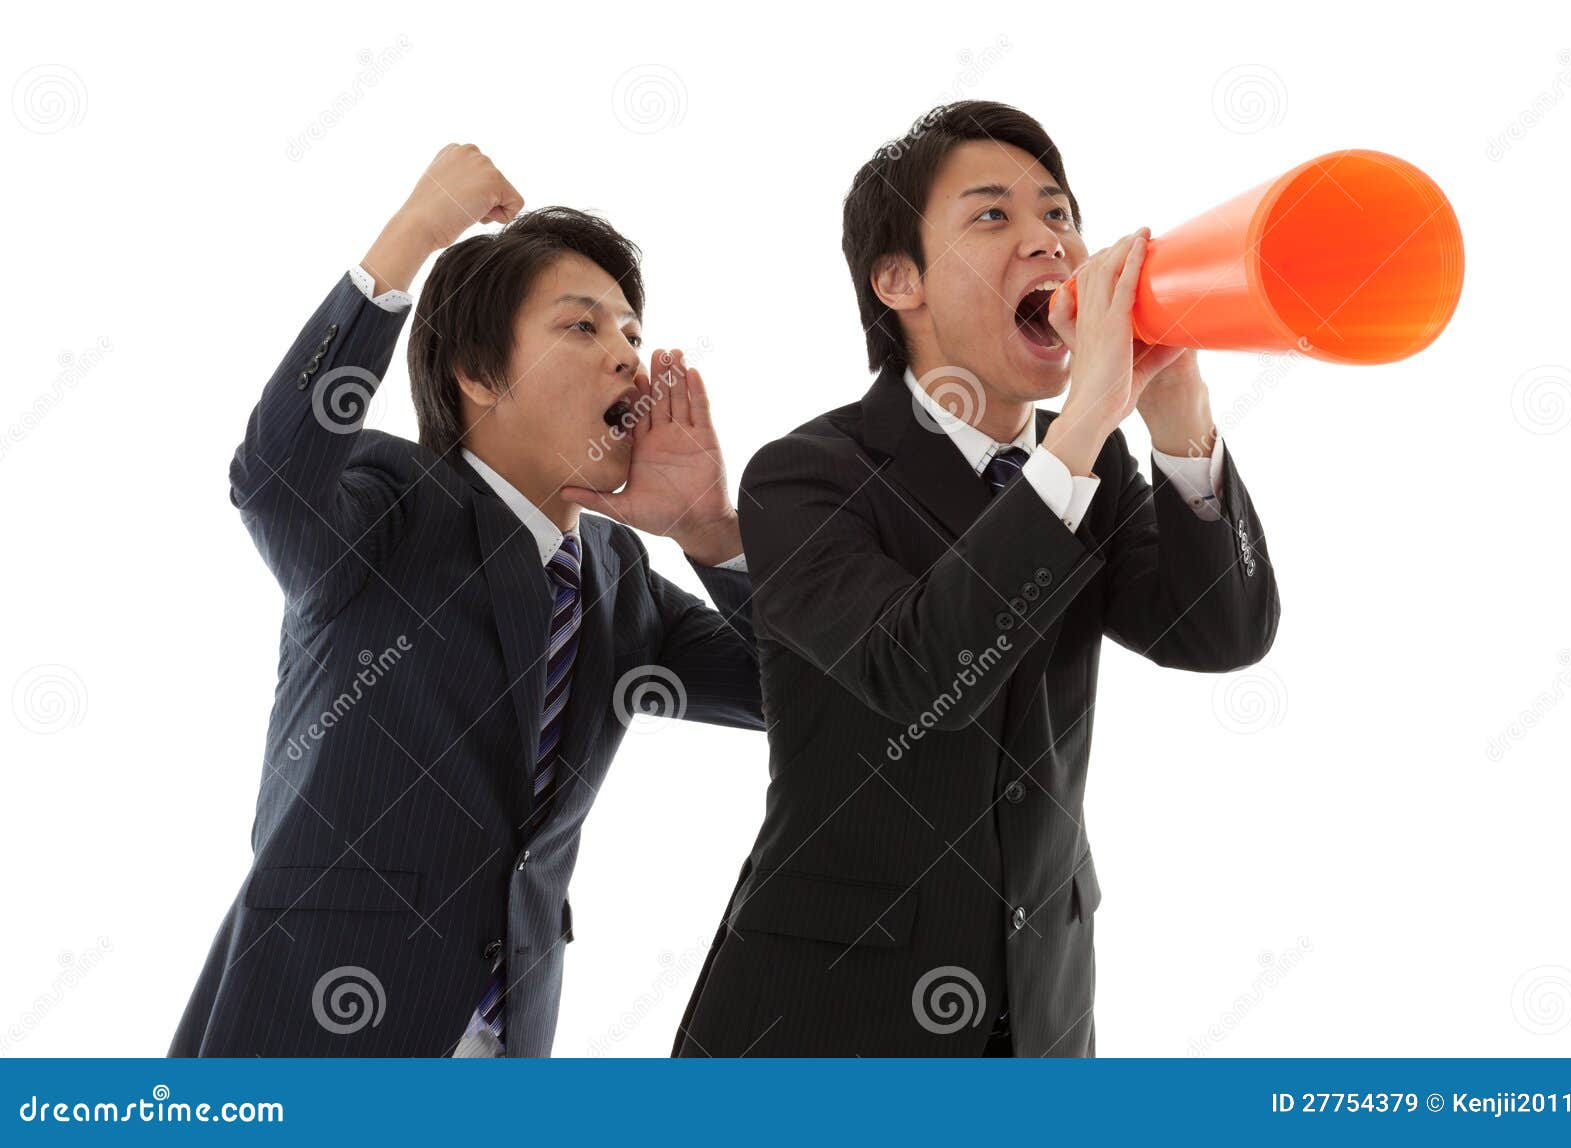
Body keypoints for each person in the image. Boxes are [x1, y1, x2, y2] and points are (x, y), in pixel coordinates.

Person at [674, 102, 1281, 1057]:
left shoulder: (1094, 467)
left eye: (1059, 214)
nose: (1047, 240)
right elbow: (923, 672)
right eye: (993, 216)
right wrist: (1083, 424)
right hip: (825, 1015)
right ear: (897, 280)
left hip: (1039, 1009)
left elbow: (1218, 634)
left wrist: (1177, 413)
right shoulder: (803, 475)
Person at [172, 143, 764, 1057]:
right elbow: (274, 477)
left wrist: (711, 535)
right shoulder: (392, 500)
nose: (627, 360)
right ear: (479, 375)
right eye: (582, 328)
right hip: (311, 1033)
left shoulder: (619, 575)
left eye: (633, 335)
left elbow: (816, 699)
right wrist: (413, 236)